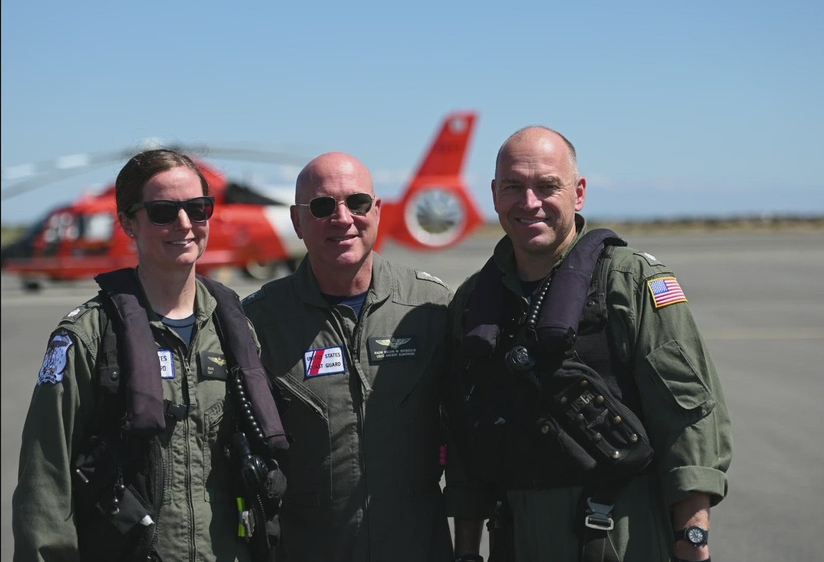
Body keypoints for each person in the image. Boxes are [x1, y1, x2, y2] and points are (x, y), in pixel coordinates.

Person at [442, 126, 732, 562]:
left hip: (618, 533)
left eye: (547, 187)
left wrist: (692, 537)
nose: (529, 202)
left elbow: (687, 415)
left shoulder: (628, 282)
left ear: (578, 193)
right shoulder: (472, 304)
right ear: (494, 194)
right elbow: (465, 436)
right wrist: (466, 551)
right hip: (515, 536)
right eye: (513, 187)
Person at [12, 148, 289, 562]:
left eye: (198, 209)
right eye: (162, 212)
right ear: (127, 222)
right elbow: (45, 484)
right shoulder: (90, 336)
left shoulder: (235, 331)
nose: (184, 224)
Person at [241, 152, 455, 562]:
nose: (342, 218)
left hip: (417, 546)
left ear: (377, 211)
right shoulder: (259, 322)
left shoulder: (431, 306)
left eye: (357, 203)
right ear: (297, 221)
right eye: (322, 207)